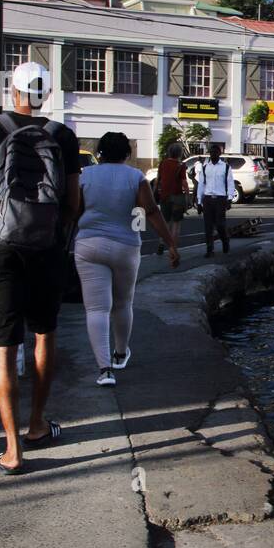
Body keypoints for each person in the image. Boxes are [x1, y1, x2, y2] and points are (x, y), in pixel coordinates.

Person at [0, 62, 80, 476]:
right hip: (46, 250)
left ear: (12, 90)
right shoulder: (62, 136)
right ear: (45, 95)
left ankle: (13, 452)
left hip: (1, 249)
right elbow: (72, 204)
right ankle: (36, 425)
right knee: (44, 336)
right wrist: (46, 228)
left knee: (4, 346)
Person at [75, 132, 180, 387]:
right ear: (127, 154)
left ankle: (104, 369)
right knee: (123, 303)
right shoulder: (135, 177)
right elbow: (151, 212)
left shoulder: (84, 176)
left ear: (100, 152)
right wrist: (170, 243)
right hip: (126, 246)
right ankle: (121, 354)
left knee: (96, 309)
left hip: (89, 245)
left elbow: (73, 211)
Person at [198, 144, 236, 256]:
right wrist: (199, 201)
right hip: (208, 199)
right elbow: (201, 185)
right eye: (211, 152)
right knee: (208, 226)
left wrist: (229, 199)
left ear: (219, 154)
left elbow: (230, 183)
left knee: (220, 225)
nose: (213, 154)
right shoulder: (205, 168)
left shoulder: (226, 167)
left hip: (220, 199)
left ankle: (225, 240)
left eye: (215, 152)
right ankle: (210, 249)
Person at [155, 142, 189, 256]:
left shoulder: (163, 163)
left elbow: (158, 179)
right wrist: (188, 196)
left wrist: (155, 191)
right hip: (177, 197)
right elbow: (184, 182)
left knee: (165, 222)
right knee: (176, 224)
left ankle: (161, 242)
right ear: (179, 153)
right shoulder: (181, 165)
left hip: (164, 196)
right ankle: (173, 249)